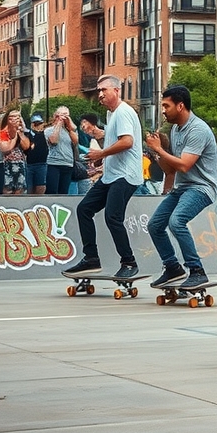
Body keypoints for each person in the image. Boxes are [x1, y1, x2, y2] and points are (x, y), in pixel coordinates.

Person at [64, 75, 145, 280]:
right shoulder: (112, 115)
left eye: (104, 90)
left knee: (112, 216)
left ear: (116, 91)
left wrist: (101, 154)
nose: (100, 94)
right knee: (84, 209)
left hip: (126, 176)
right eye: (98, 91)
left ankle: (129, 262)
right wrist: (102, 140)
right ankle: (91, 258)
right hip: (112, 175)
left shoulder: (123, 112)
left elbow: (127, 141)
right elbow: (116, 139)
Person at [144, 86, 217, 289]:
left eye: (166, 106)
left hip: (202, 187)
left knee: (176, 222)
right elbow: (171, 170)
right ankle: (172, 267)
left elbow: (185, 165)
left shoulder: (198, 130)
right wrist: (156, 153)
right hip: (183, 186)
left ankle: (197, 271)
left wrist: (159, 148)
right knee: (155, 225)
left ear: (180, 106)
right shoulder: (176, 129)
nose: (163, 110)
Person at [44, 106, 78, 195]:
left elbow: (75, 142)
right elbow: (53, 141)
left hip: (68, 164)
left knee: (64, 192)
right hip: (54, 164)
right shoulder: (48, 130)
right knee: (52, 191)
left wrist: (70, 126)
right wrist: (59, 123)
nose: (65, 118)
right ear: (56, 116)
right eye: (63, 115)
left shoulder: (70, 130)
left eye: (67, 115)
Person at [0, 110, 31, 195]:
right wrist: (14, 134)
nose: (15, 119)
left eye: (18, 117)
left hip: (20, 164)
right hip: (7, 165)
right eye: (12, 117)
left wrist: (19, 132)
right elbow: (5, 148)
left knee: (20, 190)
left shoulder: (22, 131)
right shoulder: (3, 132)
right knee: (7, 190)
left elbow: (26, 146)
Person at [24, 113, 49, 194]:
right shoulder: (27, 134)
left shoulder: (45, 134)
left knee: (41, 187)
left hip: (42, 164)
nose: (37, 125)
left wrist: (39, 133)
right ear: (32, 124)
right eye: (35, 123)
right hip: (29, 165)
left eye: (39, 123)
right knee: (29, 188)